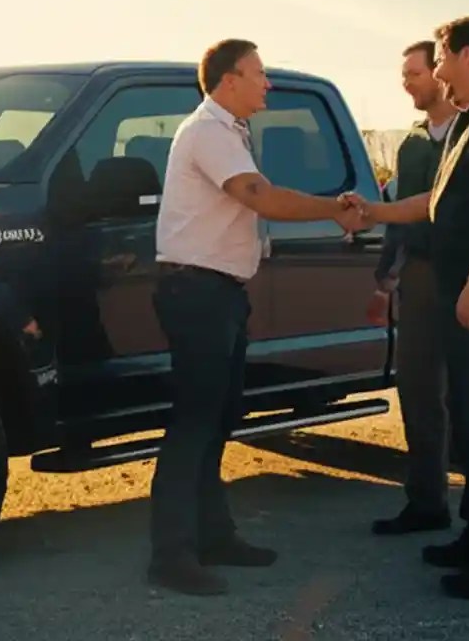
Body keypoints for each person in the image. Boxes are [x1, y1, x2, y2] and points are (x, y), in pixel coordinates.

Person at [147, 38, 366, 596]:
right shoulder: (206, 133)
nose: (267, 83)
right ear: (227, 81)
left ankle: (214, 537)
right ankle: (171, 557)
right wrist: (334, 209)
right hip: (196, 293)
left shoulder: (231, 133)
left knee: (218, 421)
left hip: (219, 293)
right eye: (259, 73)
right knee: (194, 424)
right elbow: (260, 198)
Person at [342, 15, 469, 600]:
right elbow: (437, 202)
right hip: (467, 295)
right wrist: (373, 212)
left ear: (467, 54)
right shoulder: (467, 123)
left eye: (439, 59)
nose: (434, 72)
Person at [367, 41, 458, 536]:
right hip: (421, 280)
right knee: (419, 393)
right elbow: (400, 222)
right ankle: (427, 504)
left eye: (416, 72)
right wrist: (385, 279)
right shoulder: (412, 144)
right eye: (403, 74)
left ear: (441, 73)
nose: (407, 81)